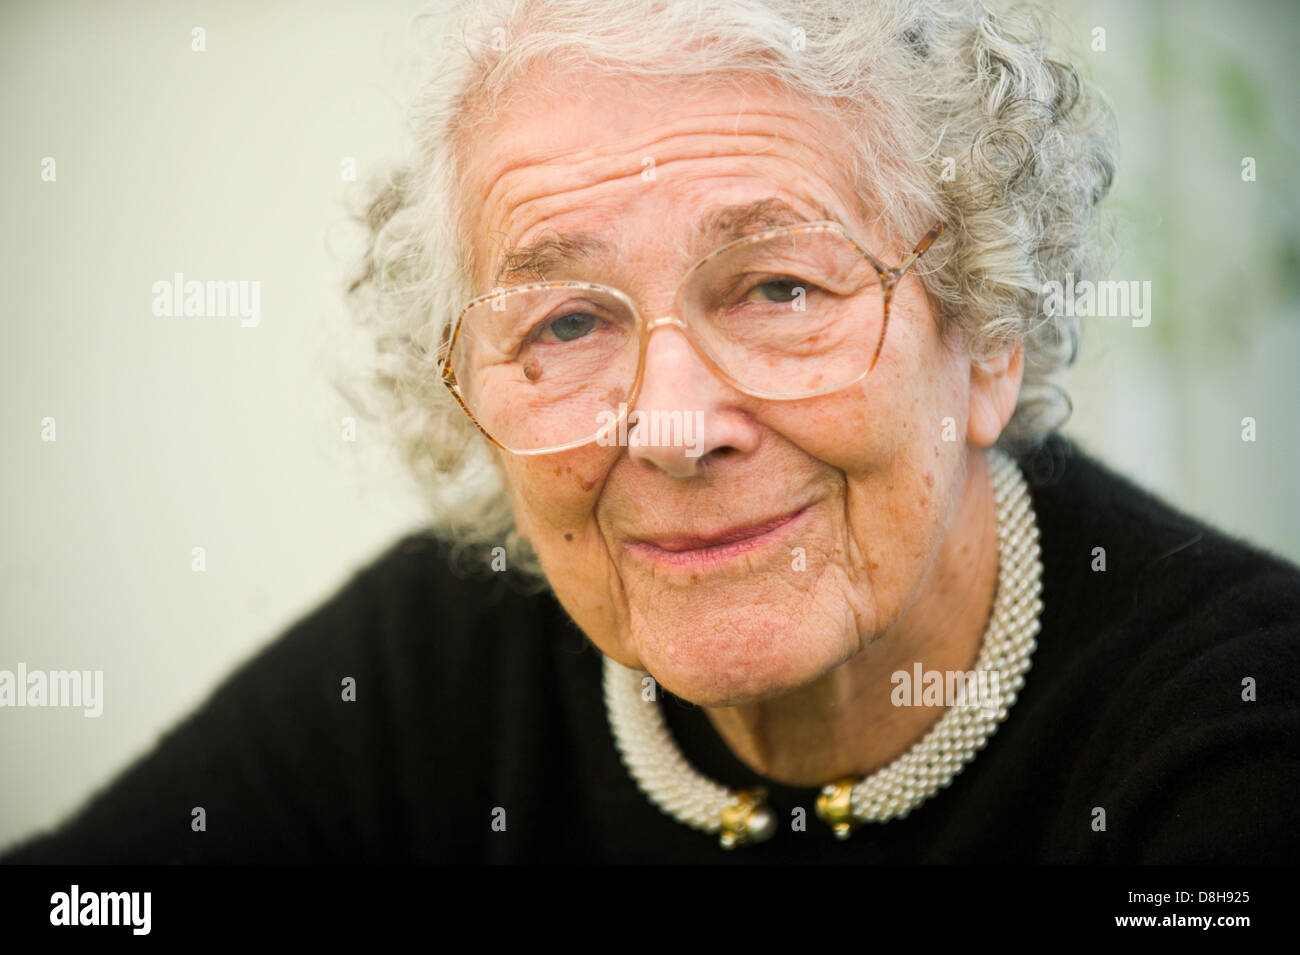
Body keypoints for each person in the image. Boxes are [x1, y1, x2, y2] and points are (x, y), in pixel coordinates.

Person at [5, 0, 1298, 864]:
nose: (673, 427)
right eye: (566, 324)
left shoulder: (1235, 730)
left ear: (988, 336)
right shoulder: (441, 662)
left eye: (782, 288)